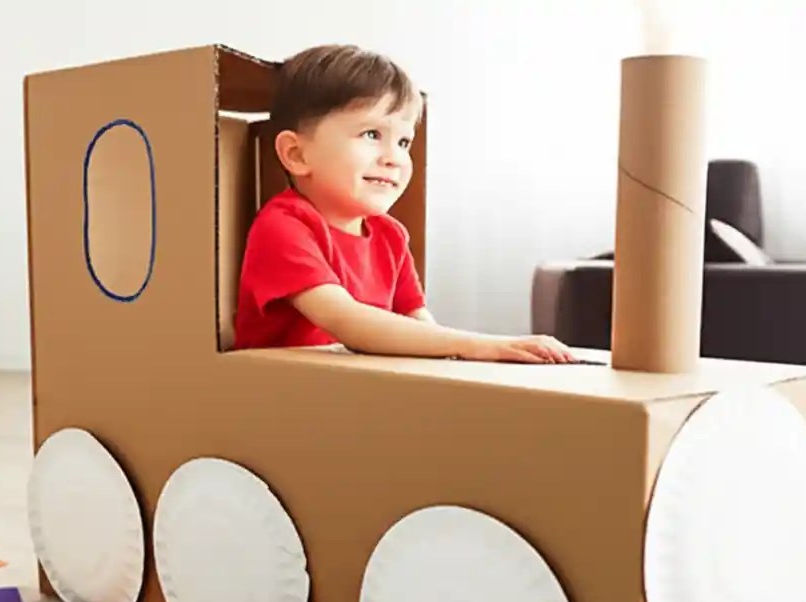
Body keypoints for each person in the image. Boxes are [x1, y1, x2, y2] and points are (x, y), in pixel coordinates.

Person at [233, 44, 578, 364]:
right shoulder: (284, 226)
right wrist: (481, 345)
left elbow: (420, 325)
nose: (394, 158)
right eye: (372, 135)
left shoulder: (390, 235)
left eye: (403, 141)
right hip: (280, 400)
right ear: (297, 154)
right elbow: (348, 323)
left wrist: (471, 355)